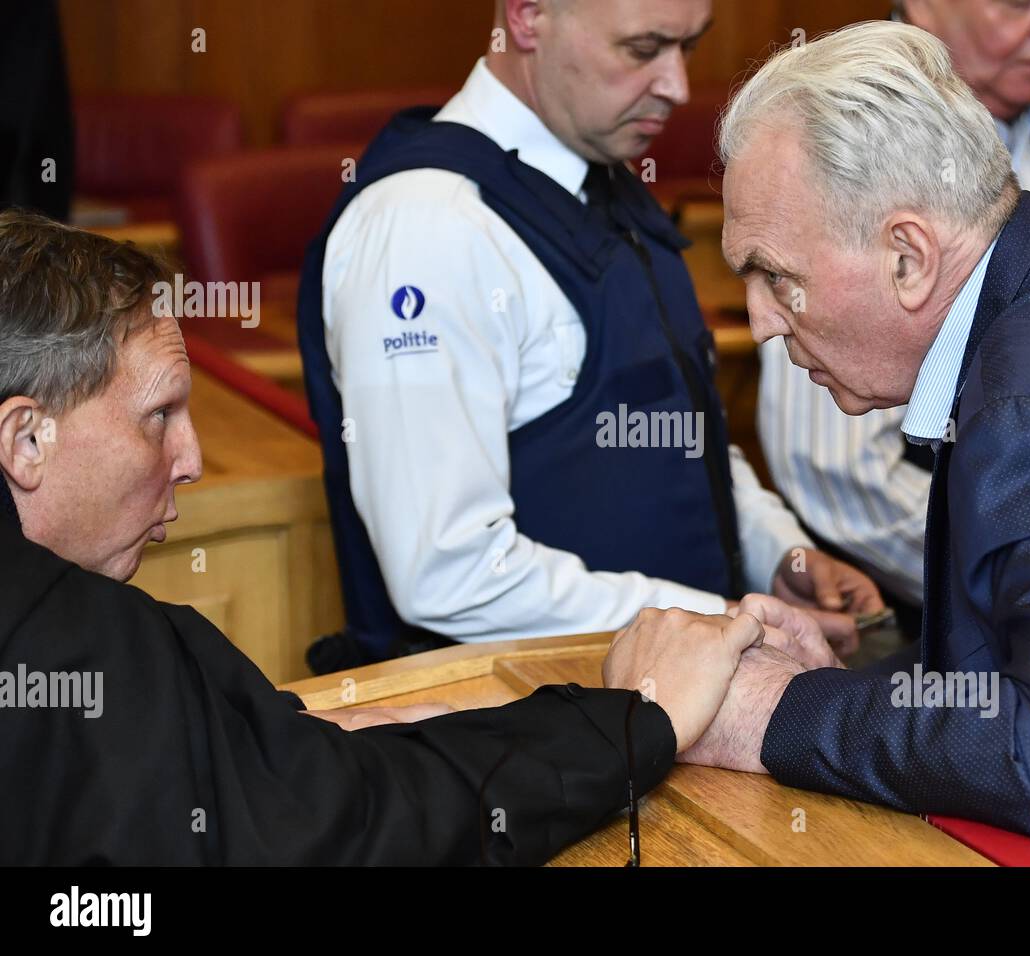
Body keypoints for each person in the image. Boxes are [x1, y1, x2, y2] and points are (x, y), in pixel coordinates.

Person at [605, 21, 1030, 866]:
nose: (759, 322)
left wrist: (780, 713)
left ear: (908, 256)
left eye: (778, 276)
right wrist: (839, 693)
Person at [0, 209, 759, 865]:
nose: (192, 461)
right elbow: (342, 829)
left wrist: (306, 740)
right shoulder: (81, 645)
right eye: (159, 416)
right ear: (26, 440)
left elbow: (275, 773)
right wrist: (627, 719)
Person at [297, 0, 881, 668]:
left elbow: (675, 422)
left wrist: (774, 550)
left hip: (655, 706)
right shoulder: (427, 228)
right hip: (507, 732)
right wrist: (717, 620)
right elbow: (447, 573)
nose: (677, 87)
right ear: (526, 17)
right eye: (642, 49)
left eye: (687, 48)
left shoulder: (600, 177)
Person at [758, 0, 1030, 621]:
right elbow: (841, 470)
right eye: (1020, 2)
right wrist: (1029, 577)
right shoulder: (838, 131)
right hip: (920, 629)